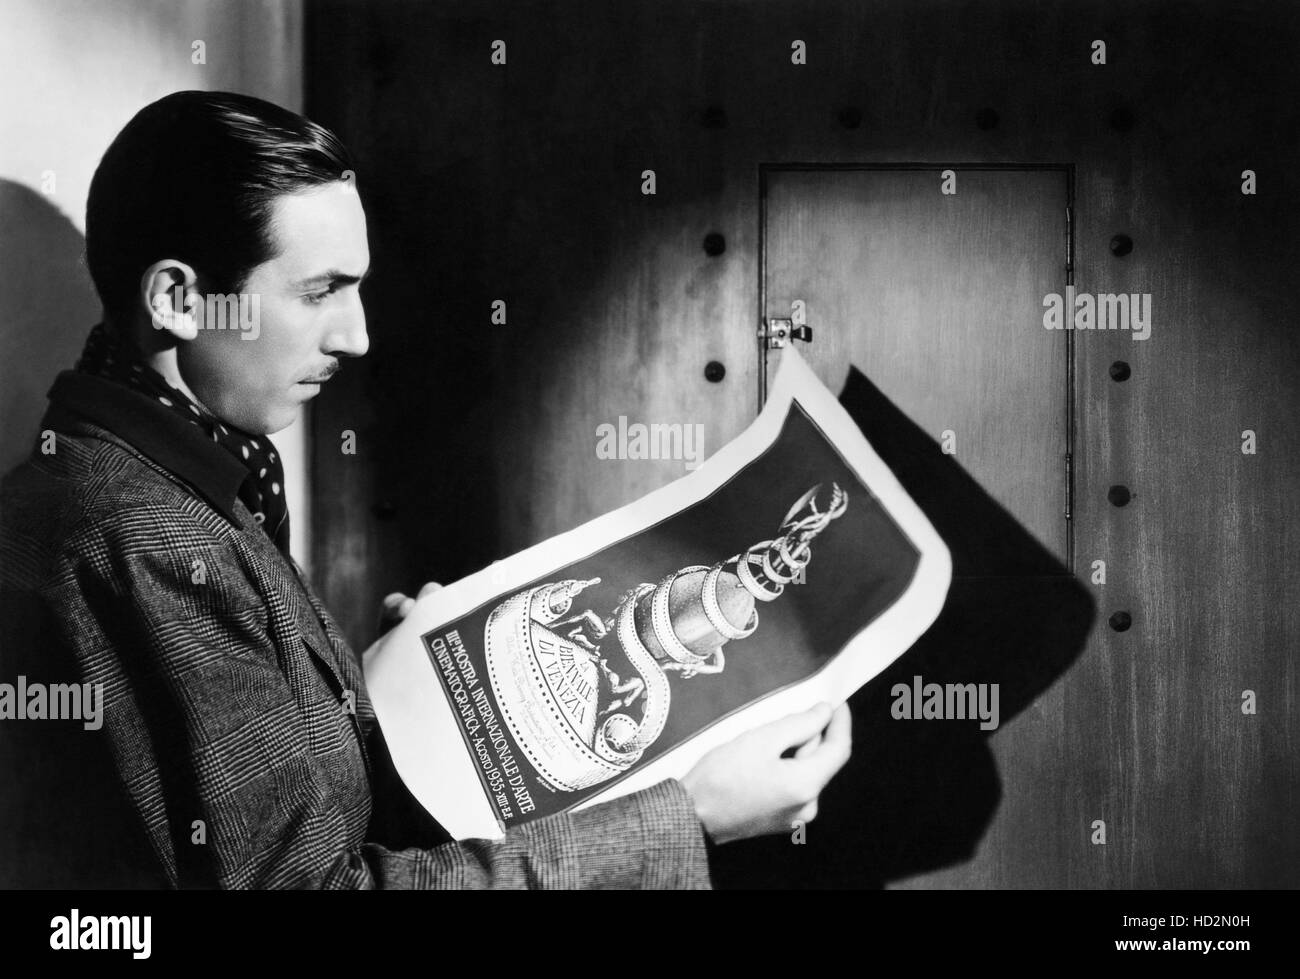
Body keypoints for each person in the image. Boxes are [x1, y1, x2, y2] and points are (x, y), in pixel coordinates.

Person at [0, 90, 851, 889]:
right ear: (180, 299)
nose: (359, 334)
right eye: (320, 291)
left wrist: (378, 686)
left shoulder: (160, 478)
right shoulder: (148, 535)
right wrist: (689, 820)